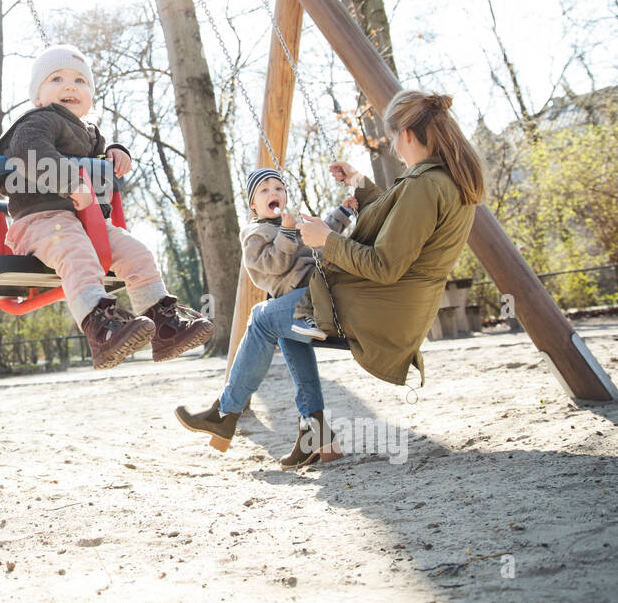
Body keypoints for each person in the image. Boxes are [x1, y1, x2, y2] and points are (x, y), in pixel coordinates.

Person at [175, 90, 485, 468]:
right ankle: (315, 432)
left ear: (405, 134)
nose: (395, 149)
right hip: (388, 304)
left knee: (262, 318)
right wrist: (360, 186)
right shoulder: (439, 180)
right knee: (284, 323)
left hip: (373, 308)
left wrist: (328, 240)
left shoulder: (425, 185)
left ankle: (226, 413)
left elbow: (386, 263)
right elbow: (396, 224)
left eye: (392, 140)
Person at [0, 45, 212, 369]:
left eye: (80, 81)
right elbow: (28, 152)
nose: (70, 86)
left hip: (87, 221)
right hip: (40, 221)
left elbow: (99, 154)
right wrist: (71, 184)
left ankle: (163, 326)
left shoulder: (90, 133)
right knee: (76, 252)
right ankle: (101, 328)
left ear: (90, 95)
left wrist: (116, 152)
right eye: (57, 79)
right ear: (37, 96)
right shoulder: (37, 122)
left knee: (138, 253)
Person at [242, 167, 358, 341]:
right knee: (322, 273)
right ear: (253, 205)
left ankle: (340, 317)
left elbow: (321, 236)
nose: (273, 193)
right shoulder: (255, 234)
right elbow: (274, 264)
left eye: (279, 188)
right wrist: (286, 233)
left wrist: (342, 212)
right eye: (264, 190)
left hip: (305, 275)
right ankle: (307, 317)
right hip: (290, 283)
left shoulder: (289, 223)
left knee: (333, 265)